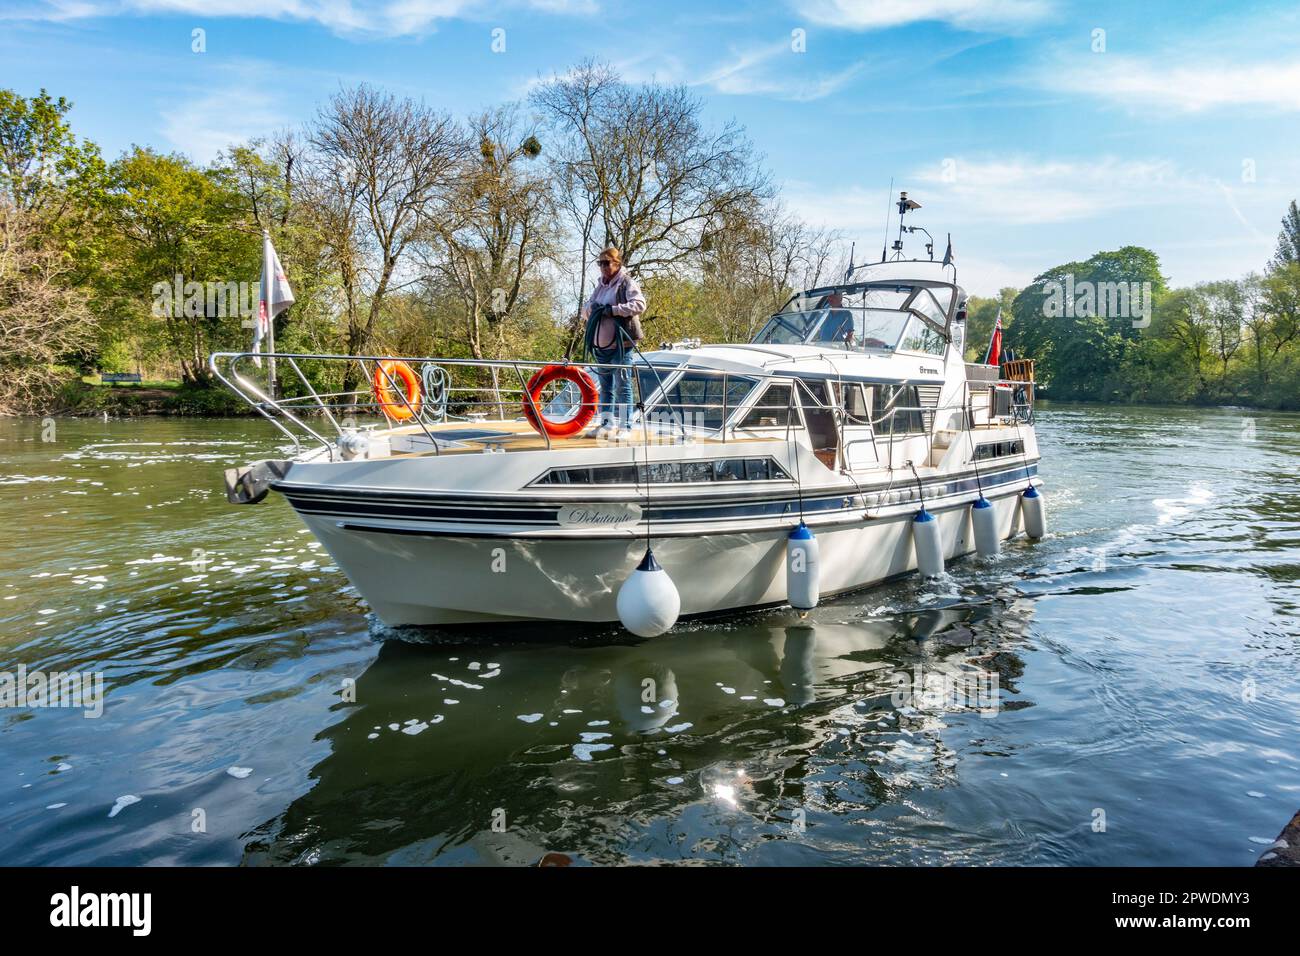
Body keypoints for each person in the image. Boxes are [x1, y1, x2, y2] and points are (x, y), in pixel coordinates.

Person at [580, 246, 647, 439]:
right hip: (601, 346)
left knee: (622, 386)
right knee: (606, 387)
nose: (602, 267)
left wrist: (614, 310)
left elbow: (639, 304)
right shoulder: (600, 285)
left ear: (617, 264)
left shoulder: (626, 283)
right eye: (600, 263)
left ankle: (626, 427)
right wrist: (592, 309)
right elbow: (586, 310)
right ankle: (606, 425)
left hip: (621, 346)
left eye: (606, 263)